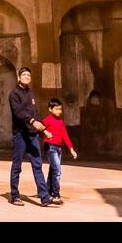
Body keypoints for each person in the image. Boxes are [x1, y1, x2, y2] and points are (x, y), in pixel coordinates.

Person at [7, 67, 52, 206]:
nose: (26, 77)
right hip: (20, 134)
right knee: (17, 166)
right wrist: (33, 121)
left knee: (37, 165)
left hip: (32, 134)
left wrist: (43, 130)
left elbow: (35, 113)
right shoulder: (14, 94)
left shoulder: (31, 93)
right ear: (19, 77)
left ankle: (45, 197)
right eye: (24, 75)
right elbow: (18, 113)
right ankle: (15, 196)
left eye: (28, 75)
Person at [41, 98, 77, 205]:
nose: (59, 112)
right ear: (50, 109)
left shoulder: (60, 122)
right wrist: (45, 135)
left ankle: (47, 192)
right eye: (56, 109)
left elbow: (65, 135)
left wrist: (71, 149)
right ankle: (56, 194)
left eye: (60, 109)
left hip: (59, 149)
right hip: (50, 147)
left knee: (53, 170)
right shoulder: (47, 120)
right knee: (57, 171)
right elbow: (40, 129)